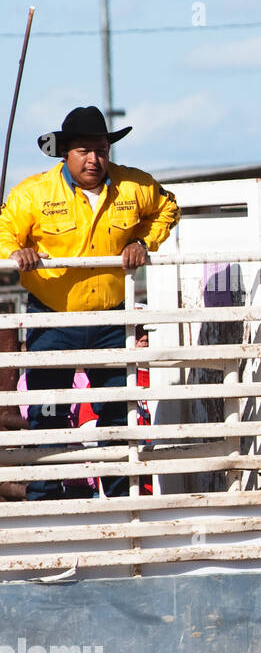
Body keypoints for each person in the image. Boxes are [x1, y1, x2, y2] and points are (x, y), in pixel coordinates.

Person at [0, 106, 179, 500]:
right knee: (48, 412)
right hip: (53, 317)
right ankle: (47, 498)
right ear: (66, 152)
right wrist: (17, 251)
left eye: (100, 149)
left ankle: (120, 498)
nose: (94, 159)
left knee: (117, 410)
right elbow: (4, 229)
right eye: (84, 150)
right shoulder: (33, 193)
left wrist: (142, 242)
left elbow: (167, 208)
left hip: (113, 317)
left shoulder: (135, 186)